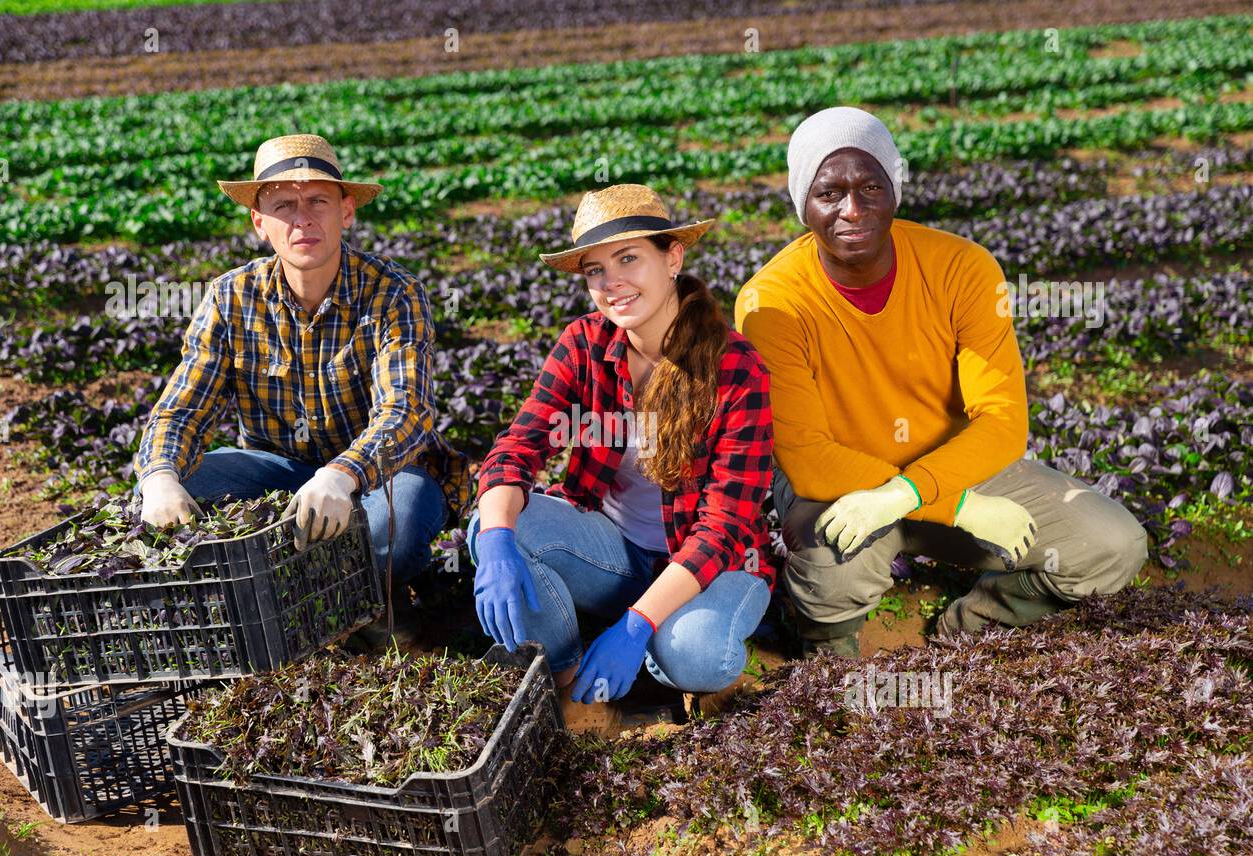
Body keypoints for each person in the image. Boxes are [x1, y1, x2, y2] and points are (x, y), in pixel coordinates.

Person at [735, 107, 1148, 657]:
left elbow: (1001, 420)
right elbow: (808, 457)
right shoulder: (771, 304)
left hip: (955, 469)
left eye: (870, 187)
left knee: (1113, 545)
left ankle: (979, 622)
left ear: (895, 191)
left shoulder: (963, 269)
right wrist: (952, 509)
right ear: (802, 204)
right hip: (844, 488)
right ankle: (830, 659)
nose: (851, 209)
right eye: (829, 192)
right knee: (832, 568)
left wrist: (913, 493)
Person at [133, 133, 471, 650]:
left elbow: (406, 410)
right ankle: (288, 600)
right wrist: (159, 475)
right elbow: (181, 410)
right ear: (260, 224)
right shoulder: (231, 298)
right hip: (279, 472)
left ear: (347, 211)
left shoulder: (392, 293)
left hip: (384, 476)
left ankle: (380, 598)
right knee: (169, 490)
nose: (303, 218)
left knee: (386, 534)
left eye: (318, 201)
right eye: (283, 205)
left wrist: (342, 475)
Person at [467, 184, 775, 732]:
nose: (612, 284)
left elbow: (723, 528)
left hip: (715, 565)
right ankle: (565, 678)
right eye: (594, 270)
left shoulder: (736, 370)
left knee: (697, 654)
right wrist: (494, 542)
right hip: (614, 552)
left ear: (672, 257)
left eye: (629, 258)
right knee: (503, 524)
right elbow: (519, 446)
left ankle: (653, 652)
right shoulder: (585, 344)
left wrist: (637, 626)